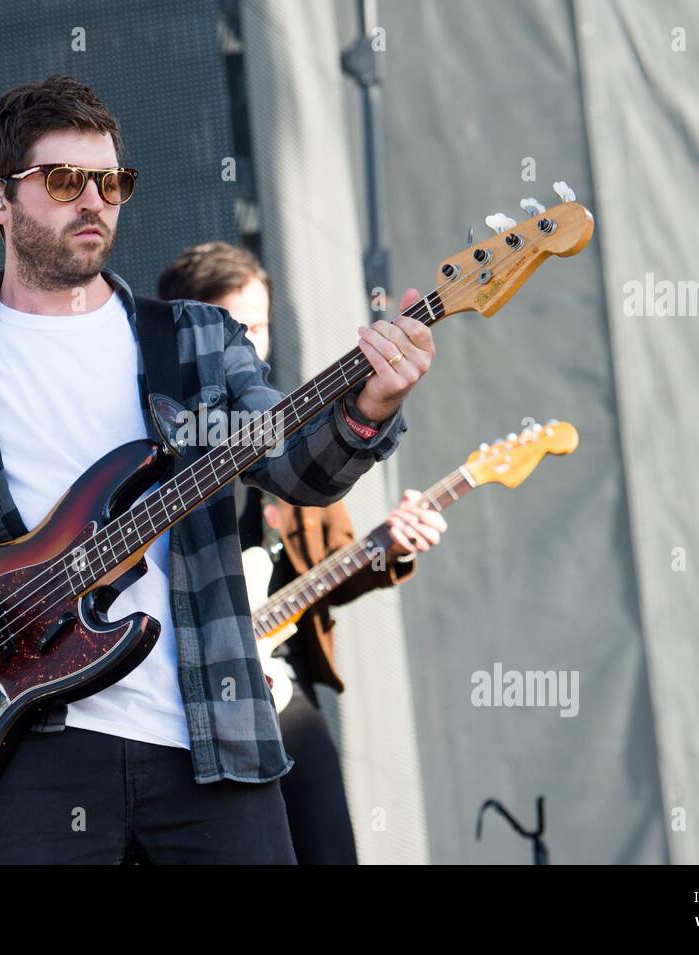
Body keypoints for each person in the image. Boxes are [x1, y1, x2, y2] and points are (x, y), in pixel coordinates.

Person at [0, 75, 436, 864]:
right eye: (66, 180)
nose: (95, 201)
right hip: (23, 751)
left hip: (211, 745)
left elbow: (296, 467)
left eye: (112, 181)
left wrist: (372, 406)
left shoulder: (198, 343)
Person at [158, 242, 447, 864]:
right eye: (235, 326)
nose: (250, 344)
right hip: (174, 701)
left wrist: (388, 548)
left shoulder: (290, 428)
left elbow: (336, 568)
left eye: (258, 327)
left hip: (279, 685)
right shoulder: (152, 433)